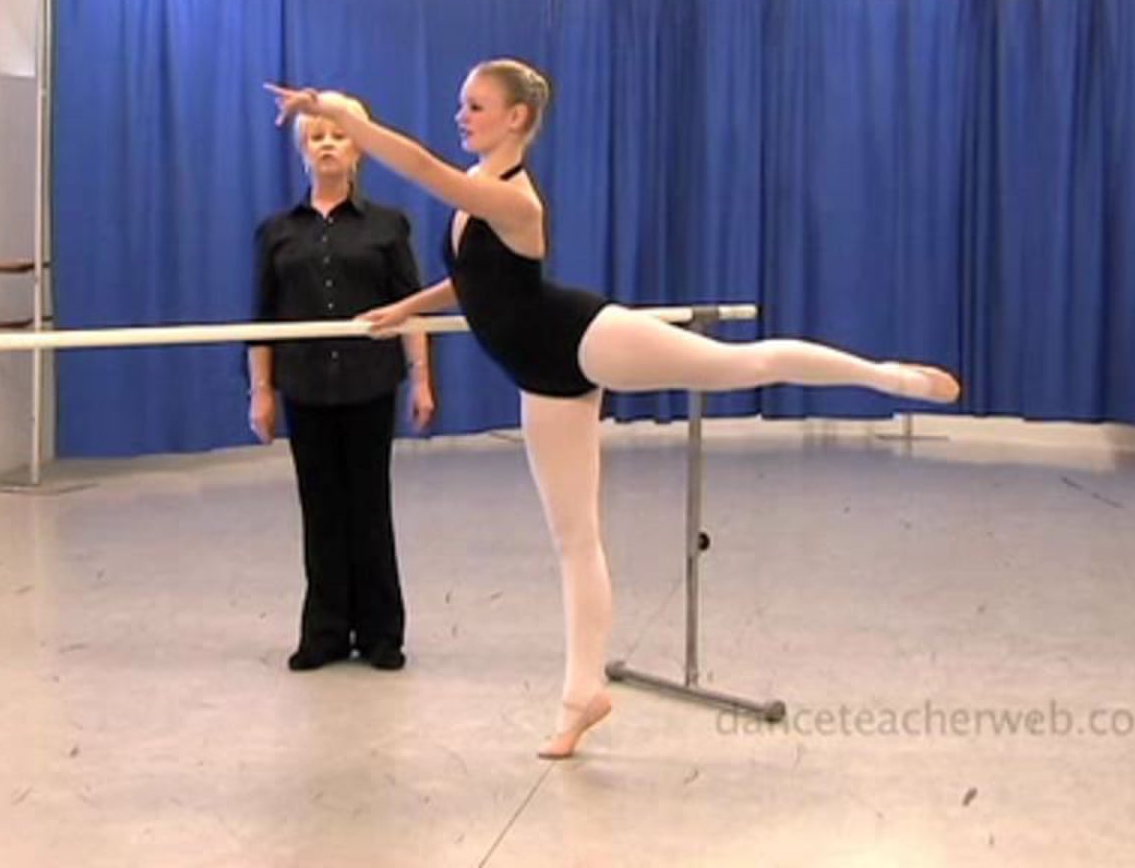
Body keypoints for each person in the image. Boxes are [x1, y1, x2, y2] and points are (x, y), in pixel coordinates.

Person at [265, 62, 959, 757]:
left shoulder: (515, 199)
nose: (461, 116)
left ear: (516, 118)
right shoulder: (477, 192)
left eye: (475, 106)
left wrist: (345, 116)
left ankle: (886, 376)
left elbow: (422, 168)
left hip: (582, 338)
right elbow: (471, 278)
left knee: (738, 365)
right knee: (575, 540)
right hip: (540, 379)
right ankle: (582, 696)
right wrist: (406, 308)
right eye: (461, 104)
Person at [249, 91, 435, 674]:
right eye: (317, 137)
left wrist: (421, 380)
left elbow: (410, 307)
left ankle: (381, 632)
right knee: (320, 507)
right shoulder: (277, 231)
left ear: (359, 150)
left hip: (369, 384)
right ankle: (325, 630)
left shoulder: (387, 226)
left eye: (338, 135)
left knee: (369, 506)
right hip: (305, 387)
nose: (328, 145)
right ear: (303, 151)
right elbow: (262, 317)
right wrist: (262, 391)